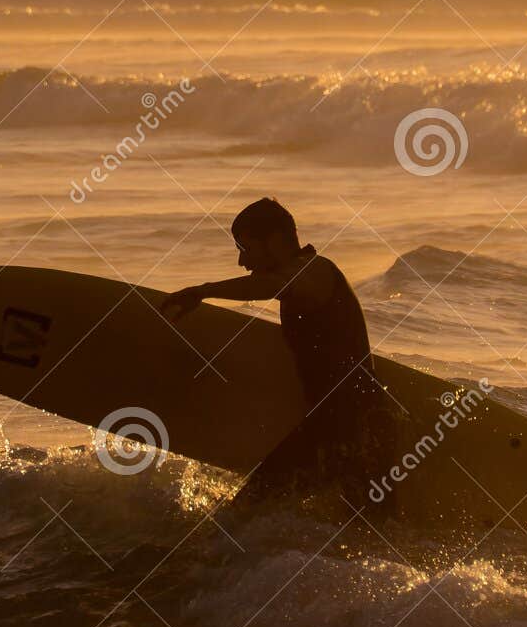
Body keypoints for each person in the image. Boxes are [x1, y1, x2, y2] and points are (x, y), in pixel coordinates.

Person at [161, 198, 401, 513]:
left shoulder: (314, 271)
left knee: (246, 514)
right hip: (340, 426)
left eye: (245, 248)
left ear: (274, 241)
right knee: (323, 523)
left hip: (356, 426)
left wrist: (202, 291)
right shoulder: (303, 280)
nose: (241, 262)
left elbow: (275, 284)